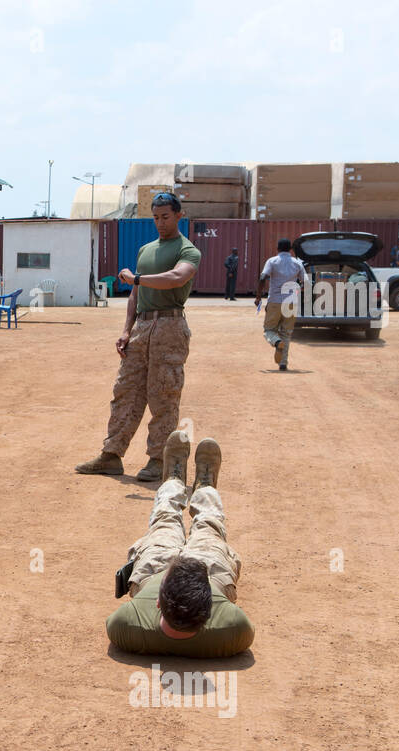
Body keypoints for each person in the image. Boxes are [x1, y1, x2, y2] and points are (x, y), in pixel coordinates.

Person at [76, 192, 201, 481]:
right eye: (155, 217)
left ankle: (158, 460)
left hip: (170, 326)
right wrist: (126, 330)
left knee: (164, 394)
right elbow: (135, 294)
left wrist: (137, 279)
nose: (160, 222)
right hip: (141, 328)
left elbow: (177, 277)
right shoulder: (146, 250)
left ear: (179, 216)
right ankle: (111, 455)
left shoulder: (188, 250)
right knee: (126, 391)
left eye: (165, 217)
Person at [106, 429, 254, 658]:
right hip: (211, 576)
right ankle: (205, 486)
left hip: (152, 572)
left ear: (157, 603)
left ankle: (173, 481)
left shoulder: (126, 625)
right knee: (208, 524)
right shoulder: (236, 629)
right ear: (209, 610)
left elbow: (115, 621)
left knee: (165, 520)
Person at [255, 237, 306, 372]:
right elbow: (305, 282)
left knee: (269, 330)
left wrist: (258, 297)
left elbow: (262, 278)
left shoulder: (272, 261)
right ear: (290, 249)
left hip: (275, 301)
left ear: (277, 248)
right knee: (286, 333)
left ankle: (277, 342)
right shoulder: (297, 263)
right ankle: (283, 363)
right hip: (291, 303)